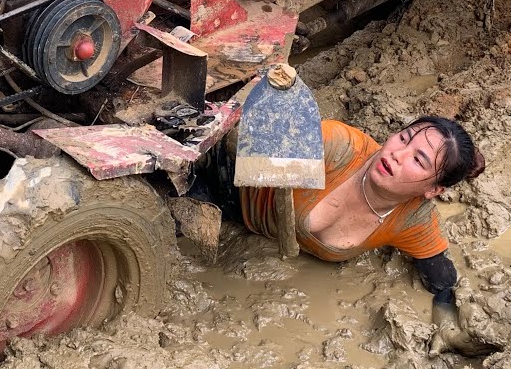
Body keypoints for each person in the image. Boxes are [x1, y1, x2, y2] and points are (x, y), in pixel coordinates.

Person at [205, 115, 492, 356]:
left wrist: (447, 325)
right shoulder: (339, 145)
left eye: (418, 160)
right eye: (404, 139)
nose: (396, 154)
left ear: (433, 190)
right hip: (221, 171)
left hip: (232, 222)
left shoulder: (412, 218)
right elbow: (243, 143)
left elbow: (441, 280)